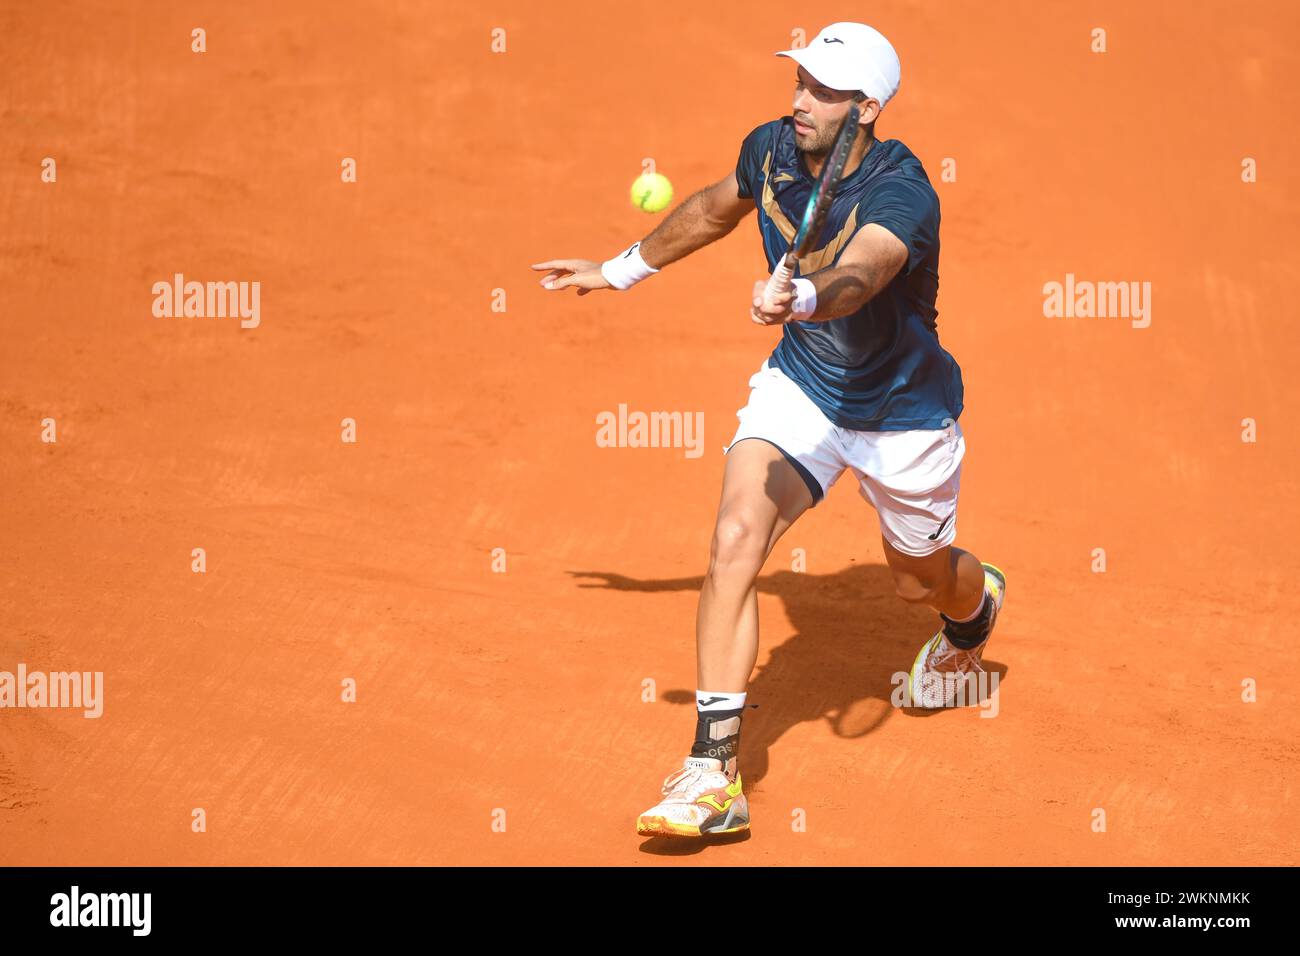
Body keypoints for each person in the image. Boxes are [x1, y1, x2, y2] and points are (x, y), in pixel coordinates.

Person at [531, 21, 1006, 839]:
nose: (800, 101)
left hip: (903, 413)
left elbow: (868, 269)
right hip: (806, 389)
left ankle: (974, 610)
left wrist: (809, 297)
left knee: (917, 578)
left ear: (866, 108)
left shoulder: (903, 192)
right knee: (734, 538)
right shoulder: (773, 149)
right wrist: (618, 270)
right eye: (799, 82)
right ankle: (713, 776)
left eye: (822, 91)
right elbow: (717, 208)